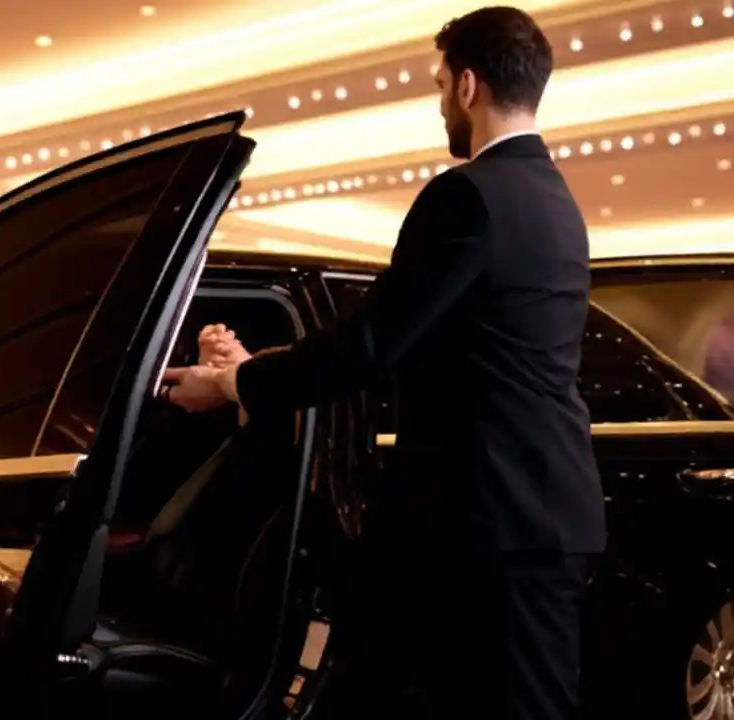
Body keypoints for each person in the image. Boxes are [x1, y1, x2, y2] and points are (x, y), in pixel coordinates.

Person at [163, 6, 606, 719]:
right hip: (537, 515)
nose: (441, 105)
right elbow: (437, 346)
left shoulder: (467, 195)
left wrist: (232, 382)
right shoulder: (556, 200)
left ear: (468, 85)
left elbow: (370, 347)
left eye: (440, 86)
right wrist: (256, 364)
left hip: (481, 525)